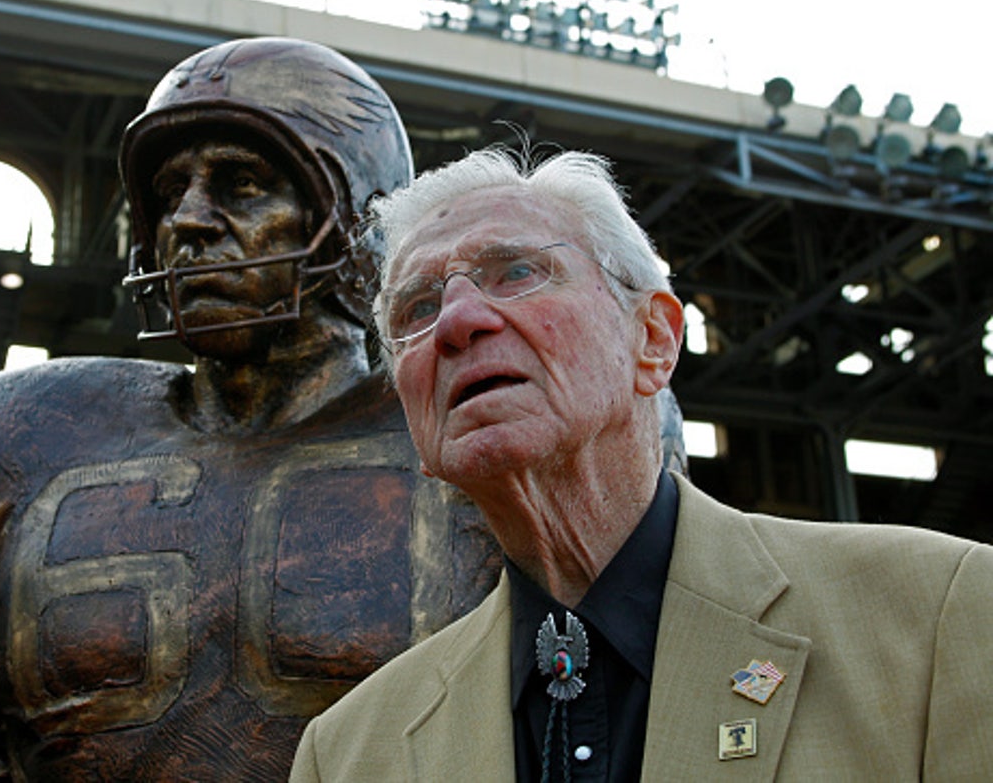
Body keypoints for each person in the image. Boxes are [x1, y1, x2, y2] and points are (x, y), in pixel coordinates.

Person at [0, 37, 502, 781]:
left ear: (357, 221)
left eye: (241, 184)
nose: (188, 221)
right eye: (171, 192)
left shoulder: (485, 435)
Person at [290, 147, 993, 781]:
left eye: (518, 271)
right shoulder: (349, 753)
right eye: (417, 308)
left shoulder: (938, 616)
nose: (456, 322)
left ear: (653, 338)